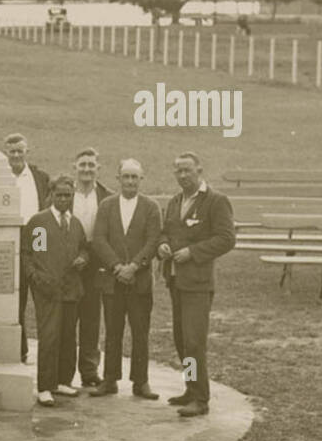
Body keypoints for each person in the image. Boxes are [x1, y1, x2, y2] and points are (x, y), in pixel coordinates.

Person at [156, 152, 235, 417]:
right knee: (181, 340)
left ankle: (201, 399)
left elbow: (226, 238)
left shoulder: (216, 201)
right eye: (178, 171)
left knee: (194, 341)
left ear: (199, 170)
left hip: (198, 283)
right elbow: (166, 230)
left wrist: (193, 252)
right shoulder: (175, 201)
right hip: (176, 281)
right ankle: (190, 388)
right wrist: (163, 245)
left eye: (187, 170)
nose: (182, 175)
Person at [88, 159, 162, 399]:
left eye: (135, 177)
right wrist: (117, 267)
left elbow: (153, 241)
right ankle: (110, 380)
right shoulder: (107, 205)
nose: (130, 181)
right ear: (118, 178)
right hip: (112, 281)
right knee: (112, 332)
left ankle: (141, 382)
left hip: (140, 283)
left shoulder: (151, 207)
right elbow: (99, 239)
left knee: (140, 332)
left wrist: (134, 267)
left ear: (142, 179)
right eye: (126, 177)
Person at [22, 175, 89, 407]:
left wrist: (82, 258)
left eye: (67, 195)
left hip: (71, 289)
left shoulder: (76, 223)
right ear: (51, 195)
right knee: (49, 336)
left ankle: (62, 380)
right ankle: (45, 386)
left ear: (72, 197)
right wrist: (36, 277)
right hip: (48, 290)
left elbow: (83, 248)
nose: (63, 199)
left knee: (68, 336)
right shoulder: (40, 222)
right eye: (59, 195)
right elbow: (33, 254)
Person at [3, 133, 50, 363]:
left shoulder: (40, 177)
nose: (16, 155)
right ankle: (20, 352)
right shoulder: (0, 178)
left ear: (26, 152)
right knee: (16, 302)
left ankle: (47, 354)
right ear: (6, 153)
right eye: (12, 151)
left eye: (20, 150)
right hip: (13, 242)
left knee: (43, 298)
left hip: (37, 239)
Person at [70, 148, 112, 388]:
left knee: (91, 319)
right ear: (74, 167)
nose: (86, 169)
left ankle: (89, 371)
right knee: (66, 319)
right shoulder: (62, 193)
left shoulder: (107, 196)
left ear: (98, 168)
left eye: (91, 165)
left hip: (95, 266)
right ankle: (62, 371)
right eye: (82, 164)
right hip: (69, 266)